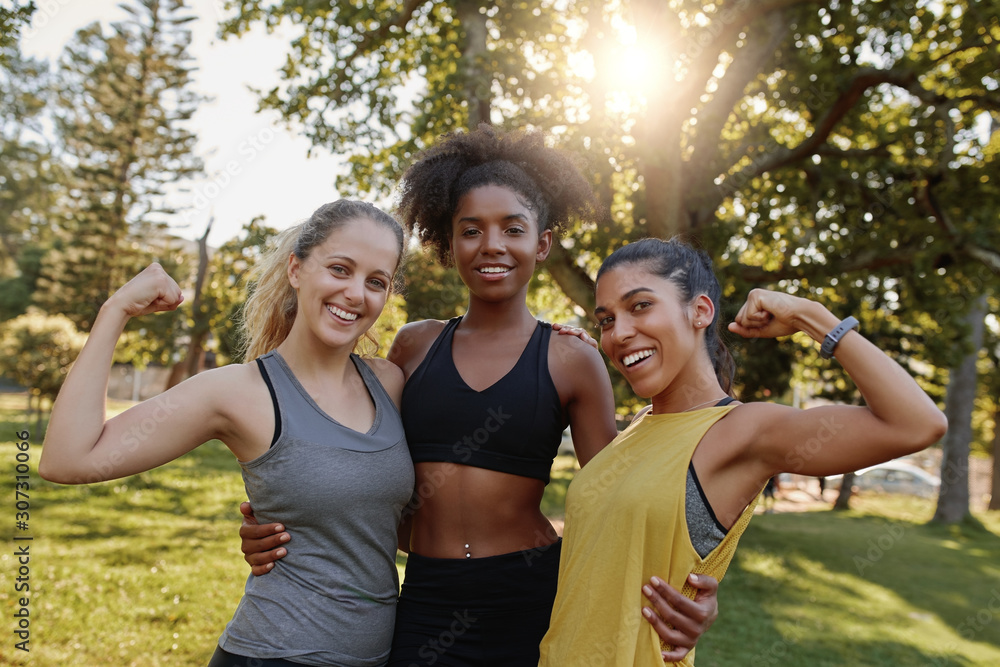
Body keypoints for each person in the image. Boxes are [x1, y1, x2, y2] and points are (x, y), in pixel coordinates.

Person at [239, 126, 720, 665]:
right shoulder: (413, 347)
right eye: (471, 230)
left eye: (513, 228)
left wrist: (693, 594)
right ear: (449, 244)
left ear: (541, 243)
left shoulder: (571, 358)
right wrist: (281, 520)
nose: (492, 245)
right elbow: (347, 457)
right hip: (425, 599)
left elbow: (619, 502)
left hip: (532, 597)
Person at [536, 237, 949, 666]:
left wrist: (810, 315)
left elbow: (917, 423)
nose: (619, 333)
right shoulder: (639, 426)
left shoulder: (743, 431)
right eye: (606, 320)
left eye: (640, 306)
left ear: (700, 311)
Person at [39, 200, 416, 667]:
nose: (356, 293)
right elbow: (66, 459)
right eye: (340, 269)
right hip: (273, 655)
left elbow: (395, 527)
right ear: (296, 269)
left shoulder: (390, 383)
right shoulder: (239, 392)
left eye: (375, 281)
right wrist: (114, 312)